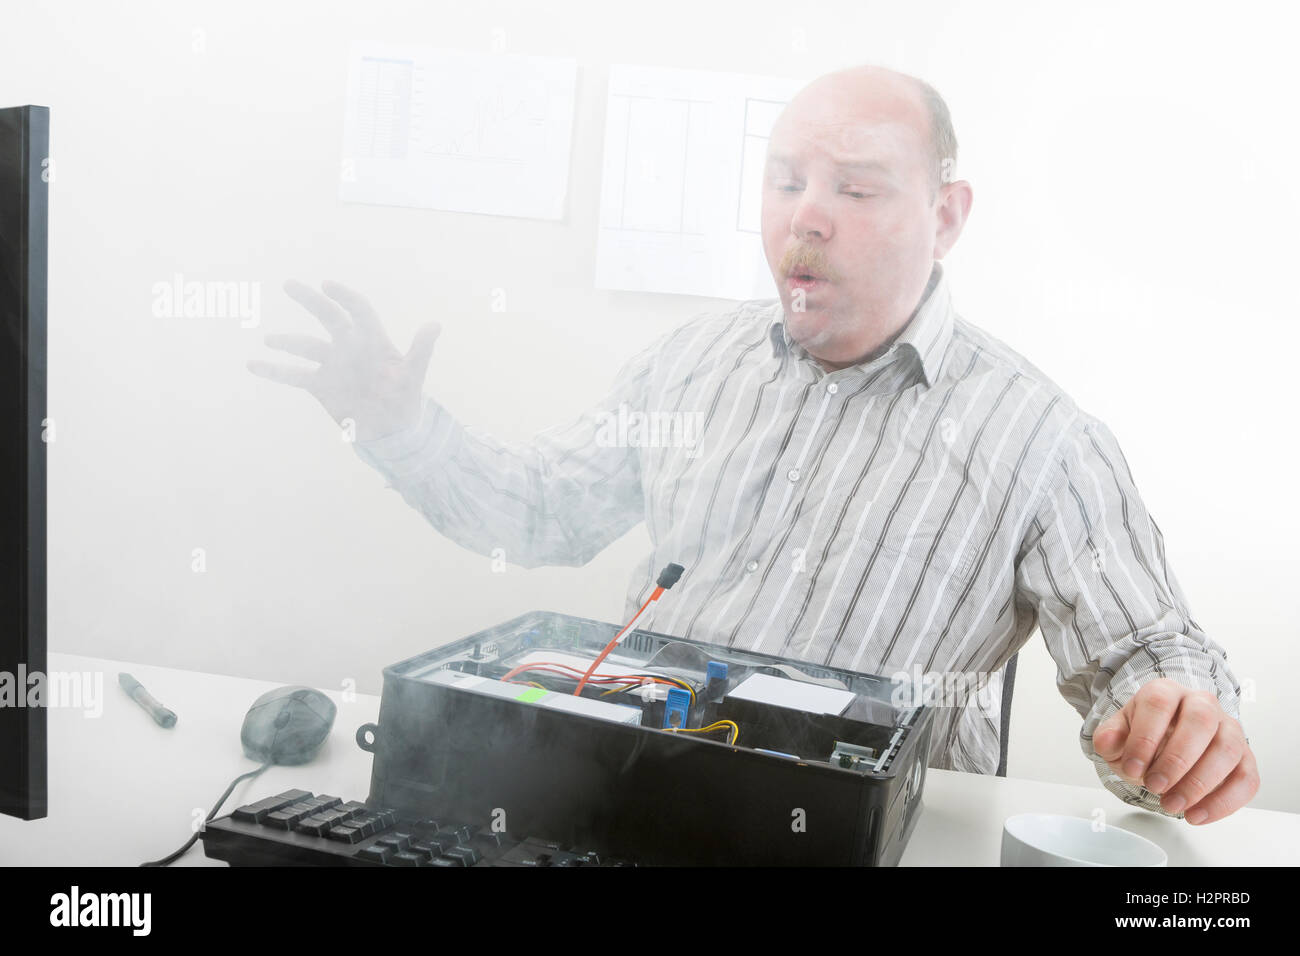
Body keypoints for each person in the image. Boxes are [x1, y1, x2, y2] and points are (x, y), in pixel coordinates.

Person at [249, 64, 1258, 825]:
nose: (804, 216)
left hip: (859, 834)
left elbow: (1147, 657)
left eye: (855, 190)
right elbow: (539, 512)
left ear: (945, 216)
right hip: (625, 798)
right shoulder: (691, 360)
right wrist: (396, 425)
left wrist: (1175, 729)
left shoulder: (1044, 440)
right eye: (784, 181)